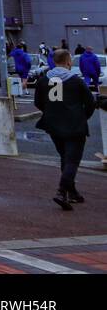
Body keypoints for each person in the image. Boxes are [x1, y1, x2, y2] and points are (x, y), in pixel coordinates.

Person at [34, 49, 103, 210]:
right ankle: (61, 191)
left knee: (65, 157)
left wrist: (51, 112)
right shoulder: (75, 81)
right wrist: (83, 117)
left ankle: (72, 192)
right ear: (68, 62)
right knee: (72, 160)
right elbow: (90, 103)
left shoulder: (44, 80)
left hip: (53, 125)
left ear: (54, 61)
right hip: (74, 125)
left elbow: (38, 102)